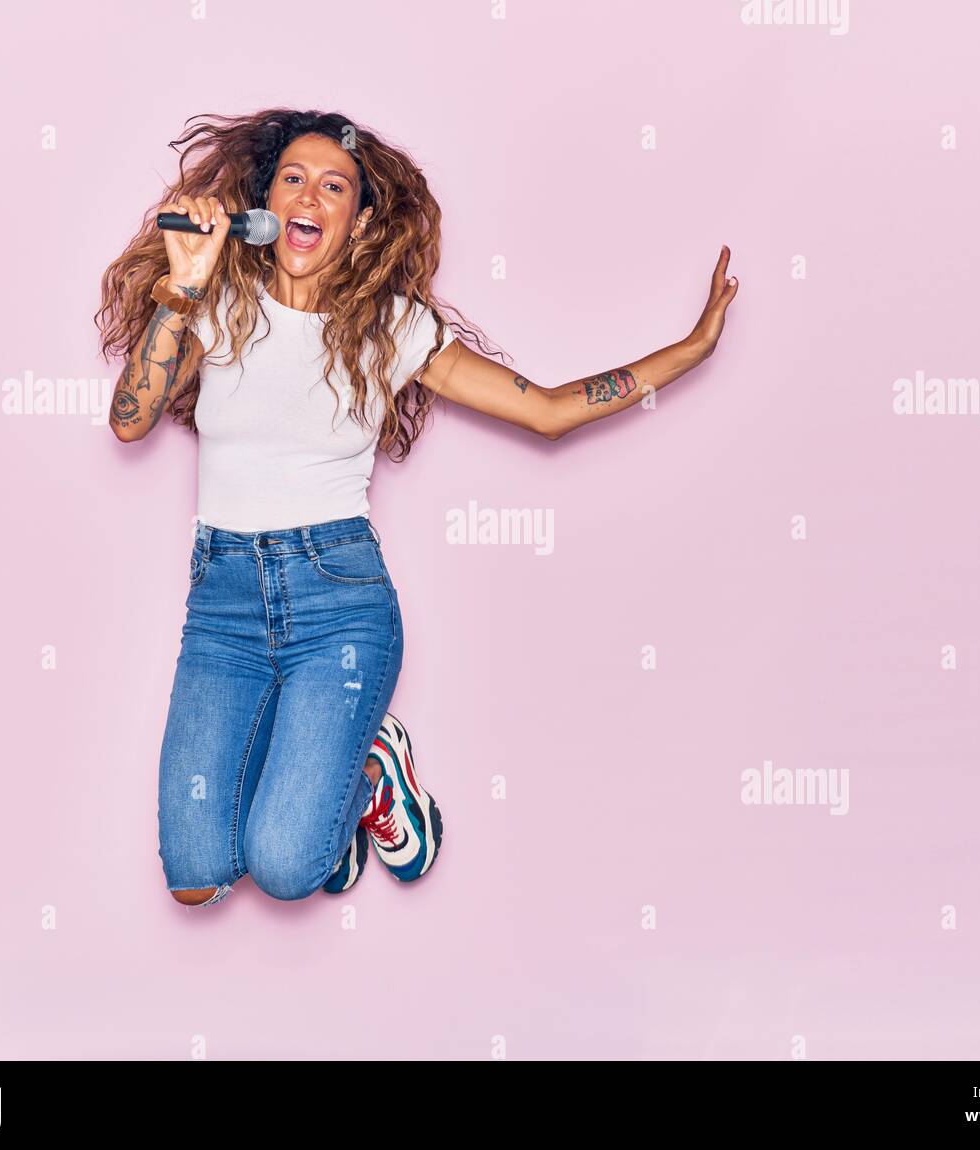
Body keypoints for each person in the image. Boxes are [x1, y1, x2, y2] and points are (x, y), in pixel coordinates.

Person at [95, 108, 738, 909]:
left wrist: (690, 349)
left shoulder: (392, 329)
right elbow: (129, 421)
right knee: (196, 878)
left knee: (289, 870)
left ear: (358, 222)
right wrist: (183, 287)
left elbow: (546, 410)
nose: (309, 195)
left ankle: (370, 773)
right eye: (292, 178)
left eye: (334, 186)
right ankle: (327, 770)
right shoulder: (219, 301)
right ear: (266, 205)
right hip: (222, 601)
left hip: (339, 603)